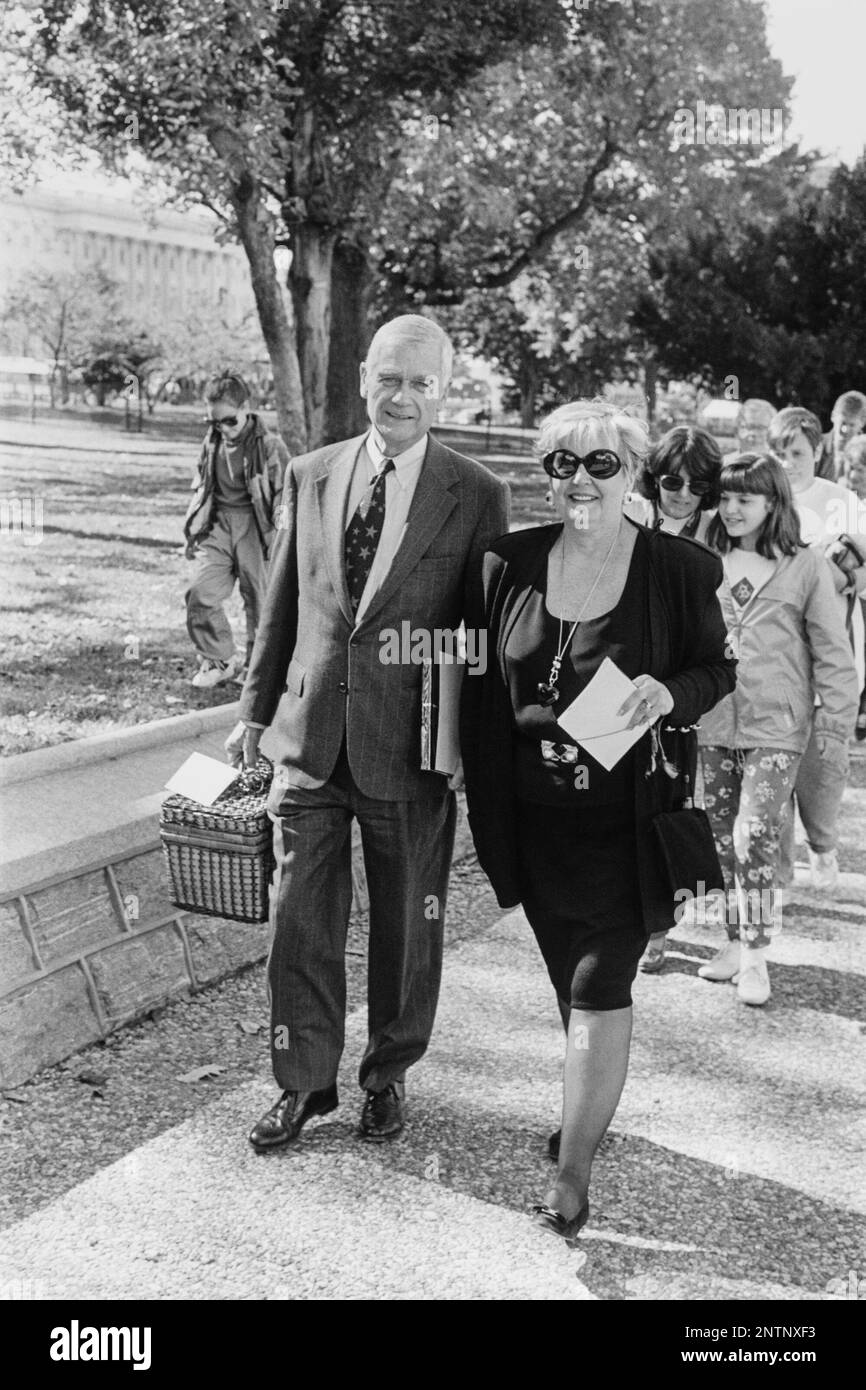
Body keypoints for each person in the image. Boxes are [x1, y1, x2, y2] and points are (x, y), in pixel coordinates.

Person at [228, 315, 510, 1152]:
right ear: (361, 378)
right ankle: (304, 1083)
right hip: (310, 738)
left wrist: (471, 747)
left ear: (445, 393)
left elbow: (483, 638)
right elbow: (282, 602)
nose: (403, 397)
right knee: (299, 924)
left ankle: (387, 1076)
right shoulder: (311, 475)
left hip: (415, 751)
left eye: (422, 383)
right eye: (390, 378)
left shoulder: (477, 493)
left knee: (407, 928)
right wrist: (252, 709)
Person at [461, 400, 735, 1238]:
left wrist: (669, 695)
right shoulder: (504, 565)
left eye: (601, 464)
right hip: (537, 822)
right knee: (564, 985)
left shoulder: (678, 569)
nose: (581, 480)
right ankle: (587, 1113)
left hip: (625, 820)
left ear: (631, 473)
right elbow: (476, 698)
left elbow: (714, 668)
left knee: (597, 984)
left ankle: (572, 1173)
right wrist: (475, 806)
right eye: (562, 465)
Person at [698, 454, 857, 1005]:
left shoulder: (806, 566)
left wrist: (834, 730)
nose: (733, 508)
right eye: (726, 497)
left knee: (756, 833)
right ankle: (734, 943)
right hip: (713, 721)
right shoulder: (704, 558)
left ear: (773, 503)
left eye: (746, 498)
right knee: (720, 838)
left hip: (780, 727)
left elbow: (834, 656)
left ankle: (758, 956)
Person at [766, 406, 866, 890]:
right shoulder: (755, 499)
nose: (787, 463)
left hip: (830, 658)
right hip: (773, 661)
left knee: (823, 769)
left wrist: (843, 572)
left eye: (797, 453)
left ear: (819, 450)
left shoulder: (842, 502)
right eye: (778, 452)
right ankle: (778, 874)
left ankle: (822, 844)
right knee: (772, 768)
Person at [184, 371, 289, 689]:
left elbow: (286, 495)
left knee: (259, 601)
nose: (222, 428)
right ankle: (220, 659)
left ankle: (260, 671)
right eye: (214, 422)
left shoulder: (270, 446)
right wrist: (194, 529)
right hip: (218, 525)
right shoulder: (212, 443)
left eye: (229, 420)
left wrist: (282, 540)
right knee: (200, 593)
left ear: (247, 407)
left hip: (257, 527)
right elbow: (202, 487)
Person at [625, 424, 721, 542]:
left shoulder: (715, 532)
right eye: (673, 482)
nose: (683, 494)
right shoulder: (625, 512)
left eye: (698, 486)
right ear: (656, 477)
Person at [841, 436, 866, 739]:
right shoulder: (841, 502)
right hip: (849, 595)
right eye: (850, 466)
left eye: (861, 468)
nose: (854, 473)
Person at [815, 390, 866, 483]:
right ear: (833, 416)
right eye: (842, 423)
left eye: (851, 425)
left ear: (862, 422)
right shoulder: (814, 446)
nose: (844, 430)